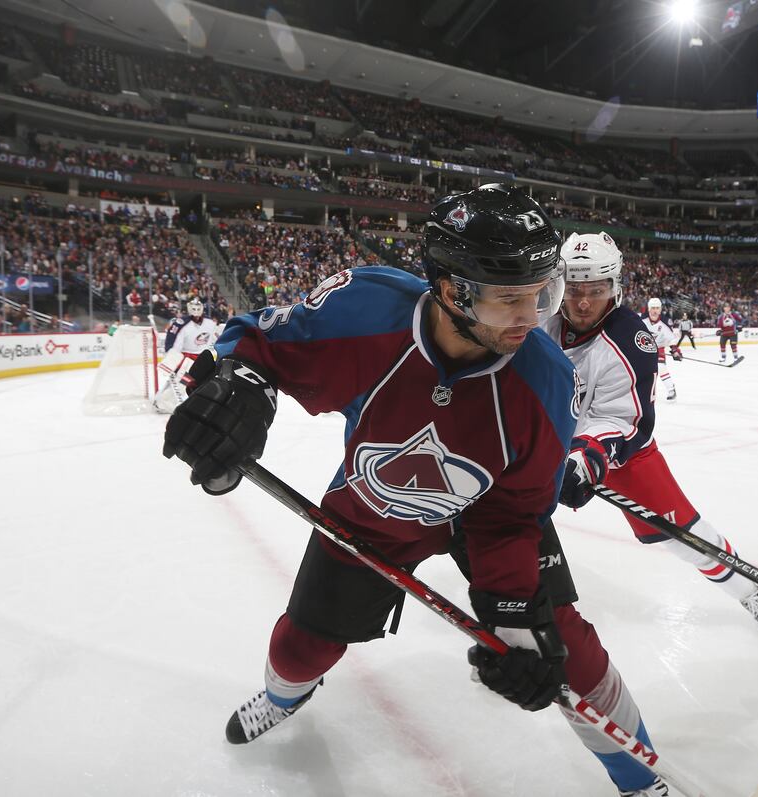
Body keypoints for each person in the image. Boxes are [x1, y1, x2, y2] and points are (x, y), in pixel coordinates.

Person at [162, 186, 673, 797]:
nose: (533, 316)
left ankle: (638, 778)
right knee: (301, 647)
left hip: (489, 511)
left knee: (562, 645)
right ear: (455, 291)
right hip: (379, 507)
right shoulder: (367, 311)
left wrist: (514, 617)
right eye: (511, 299)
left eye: (543, 294)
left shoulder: (545, 381)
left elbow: (513, 517)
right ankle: (284, 696)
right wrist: (241, 386)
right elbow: (262, 343)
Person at [545, 232, 758, 648]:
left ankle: (751, 593)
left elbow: (622, 419)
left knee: (685, 535)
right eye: (574, 291)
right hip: (549, 441)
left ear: (615, 287)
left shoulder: (630, 338)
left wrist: (587, 459)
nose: (584, 302)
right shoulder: (541, 319)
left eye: (596, 290)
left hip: (618, 456)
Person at [155, 298, 218, 411]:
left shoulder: (210, 323)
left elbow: (215, 338)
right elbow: (174, 341)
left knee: (202, 382)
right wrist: (173, 355)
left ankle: (198, 404)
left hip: (202, 359)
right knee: (180, 382)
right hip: (186, 359)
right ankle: (162, 403)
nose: (196, 313)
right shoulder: (181, 323)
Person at [640, 298, 678, 401]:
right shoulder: (641, 319)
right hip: (644, 349)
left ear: (660, 309)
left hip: (658, 348)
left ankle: (671, 389)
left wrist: (675, 351)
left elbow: (671, 338)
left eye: (657, 308)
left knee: (661, 368)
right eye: (653, 308)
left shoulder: (665, 322)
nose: (655, 310)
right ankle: (644, 392)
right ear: (649, 309)